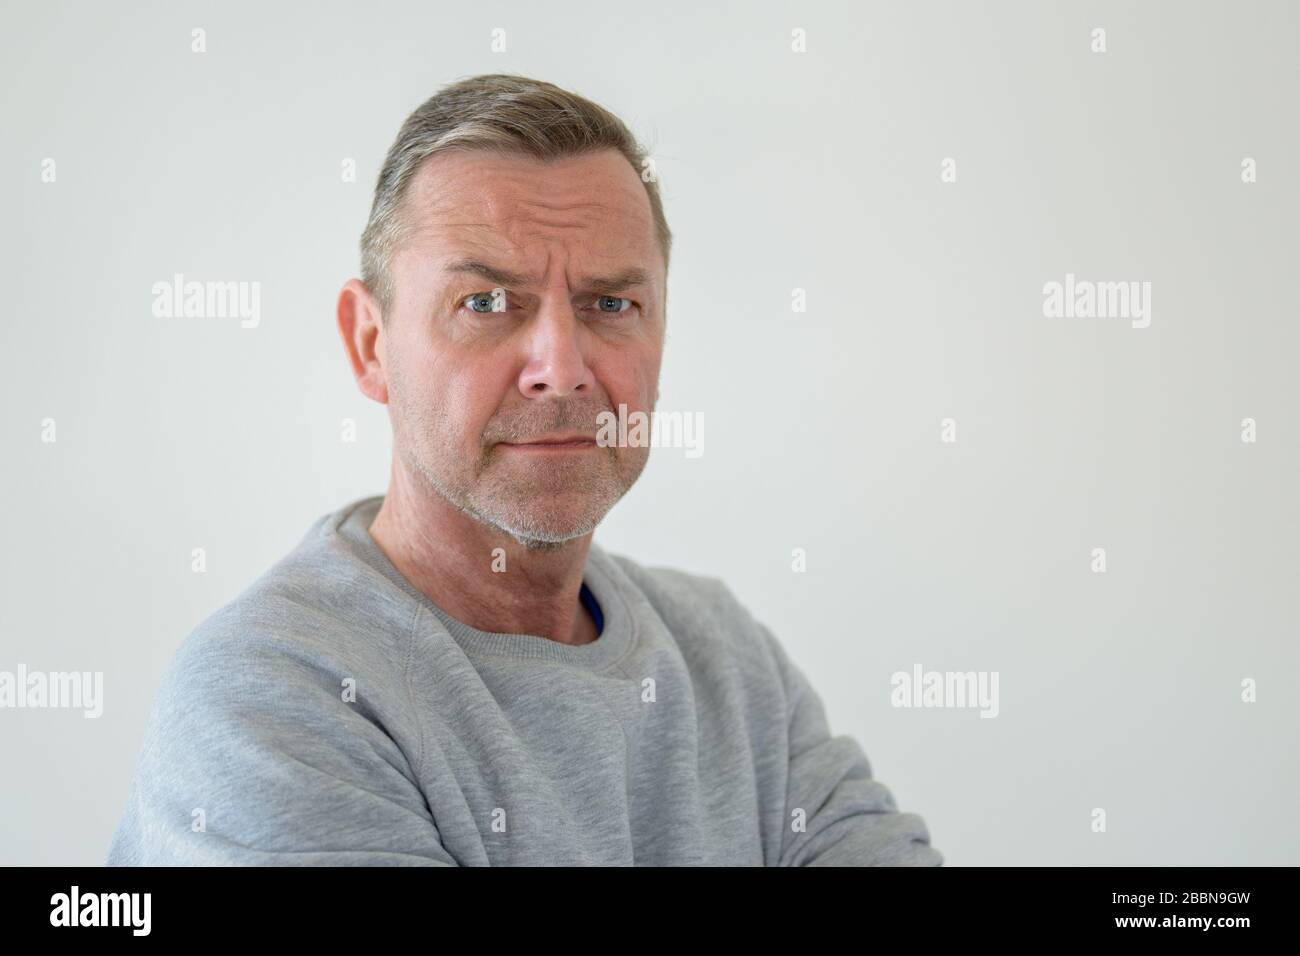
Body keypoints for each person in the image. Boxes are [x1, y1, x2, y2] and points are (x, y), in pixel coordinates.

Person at [106, 73, 942, 866]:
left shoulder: (726, 657)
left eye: (611, 304)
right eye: (485, 302)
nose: (562, 366)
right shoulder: (272, 697)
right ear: (371, 346)